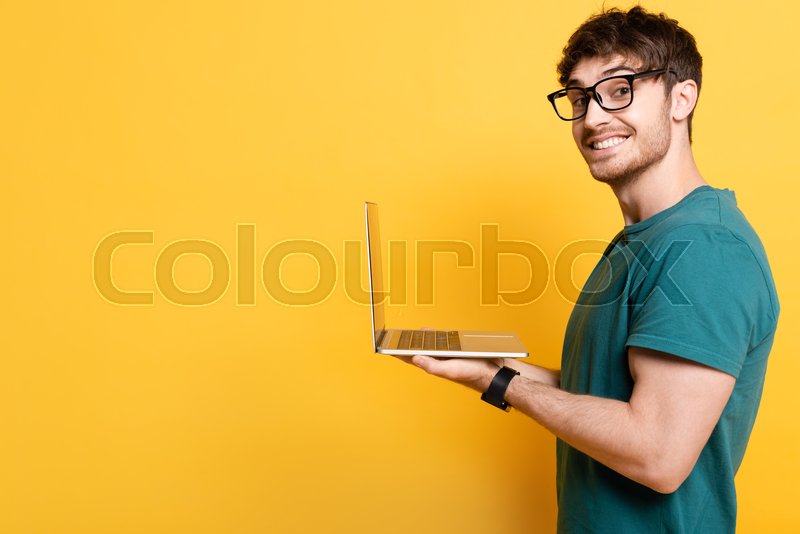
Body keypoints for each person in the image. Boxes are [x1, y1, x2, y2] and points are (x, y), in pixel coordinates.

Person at [395, 6, 780, 533]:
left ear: (681, 99)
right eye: (580, 98)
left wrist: (504, 381)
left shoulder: (705, 248)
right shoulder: (642, 240)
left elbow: (657, 456)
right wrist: (481, 367)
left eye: (620, 89)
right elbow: (602, 391)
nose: (593, 117)